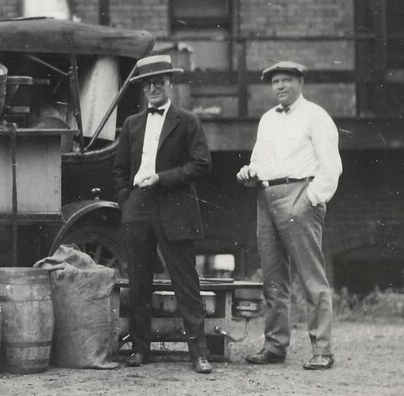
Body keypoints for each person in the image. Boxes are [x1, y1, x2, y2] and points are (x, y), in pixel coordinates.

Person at [237, 61, 342, 371]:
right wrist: (249, 173)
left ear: (300, 82)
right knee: (273, 278)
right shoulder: (268, 120)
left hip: (300, 195)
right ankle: (274, 345)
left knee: (311, 277)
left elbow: (331, 166)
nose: (279, 86)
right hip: (266, 198)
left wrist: (310, 199)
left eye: (286, 80)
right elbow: (259, 160)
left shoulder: (316, 116)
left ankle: (322, 349)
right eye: (275, 81)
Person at [112, 54, 213, 374]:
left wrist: (162, 179)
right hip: (137, 208)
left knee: (186, 282)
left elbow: (201, 164)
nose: (153, 88)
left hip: (175, 207)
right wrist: (126, 200)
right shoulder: (132, 124)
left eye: (159, 82)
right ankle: (140, 350)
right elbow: (119, 169)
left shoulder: (187, 121)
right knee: (139, 282)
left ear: (170, 83)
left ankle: (199, 353)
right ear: (142, 89)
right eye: (147, 84)